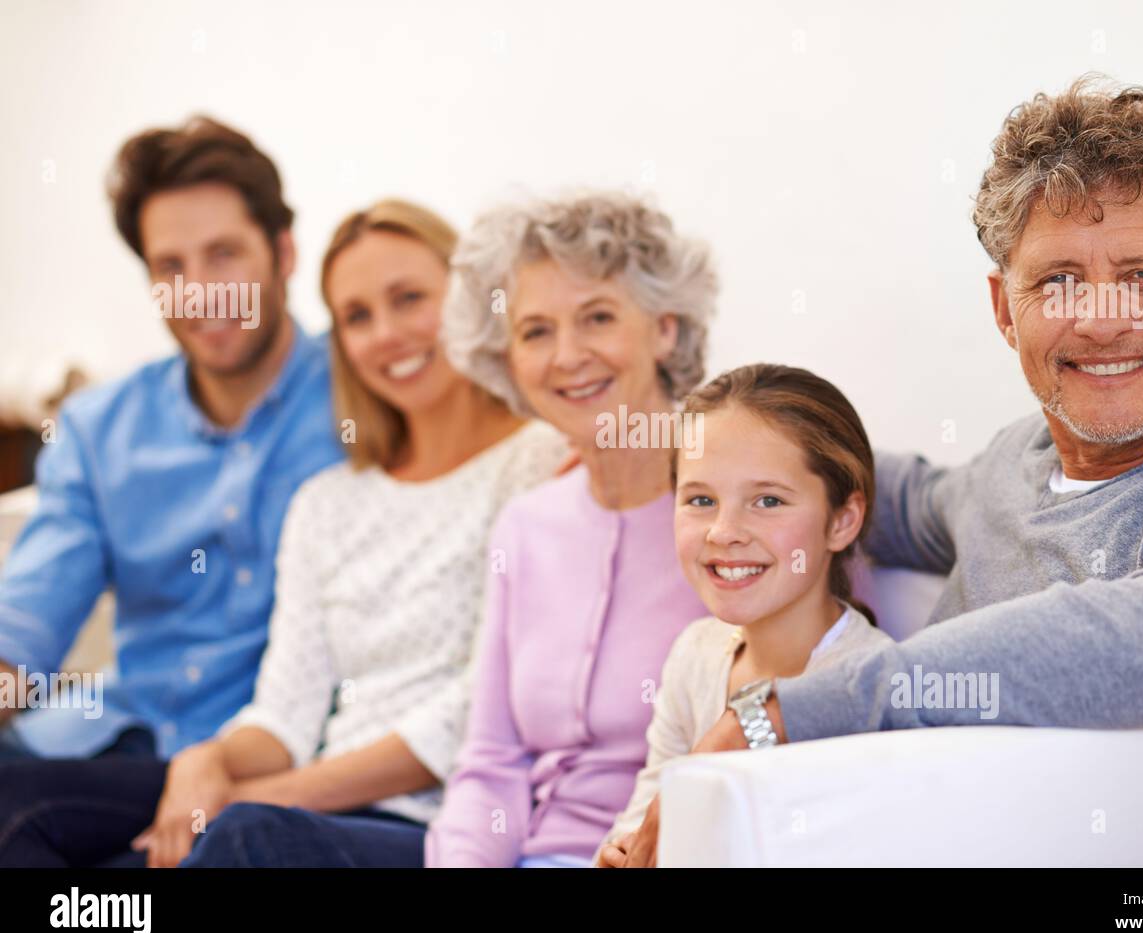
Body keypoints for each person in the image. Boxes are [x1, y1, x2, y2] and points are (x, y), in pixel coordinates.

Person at [620, 75, 1143, 867]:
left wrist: (780, 714)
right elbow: (860, 483)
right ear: (1005, 311)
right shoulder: (1016, 462)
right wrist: (657, 438)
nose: (1101, 318)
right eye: (1057, 281)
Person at [157, 200, 564, 868]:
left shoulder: (544, 462)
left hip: (451, 821)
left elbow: (484, 705)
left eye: (410, 299)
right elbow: (286, 710)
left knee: (249, 837)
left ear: (469, 302)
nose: (388, 334)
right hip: (318, 818)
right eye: (357, 316)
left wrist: (276, 796)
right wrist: (210, 758)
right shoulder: (325, 502)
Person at [0, 116, 341, 762]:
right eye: (170, 265)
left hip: (280, 772)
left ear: (284, 253)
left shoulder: (367, 403)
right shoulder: (97, 429)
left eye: (223, 254)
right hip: (118, 741)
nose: (201, 293)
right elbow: (26, 628)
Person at [423, 191, 715, 866]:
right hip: (526, 855)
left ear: (665, 328)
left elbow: (786, 728)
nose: (568, 355)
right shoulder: (526, 526)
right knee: (256, 835)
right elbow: (491, 759)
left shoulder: (737, 513)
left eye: (598, 317)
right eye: (535, 332)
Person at [596, 364, 895, 867]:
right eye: (701, 499)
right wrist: (620, 853)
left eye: (768, 500)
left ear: (843, 520)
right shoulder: (696, 653)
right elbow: (645, 815)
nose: (723, 531)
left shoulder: (870, 688)